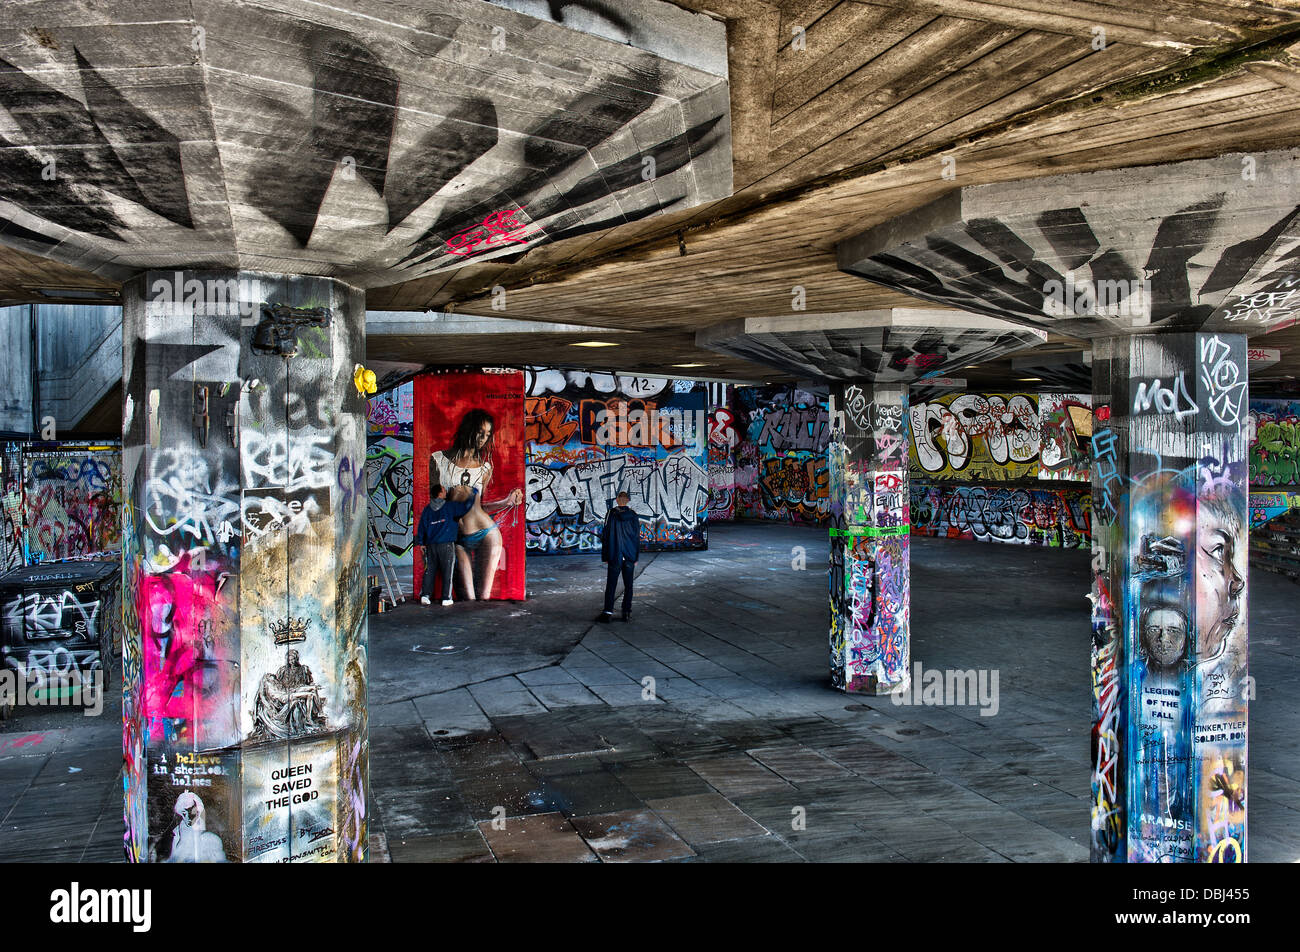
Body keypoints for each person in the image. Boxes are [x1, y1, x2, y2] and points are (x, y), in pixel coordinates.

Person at [430, 409, 523, 600]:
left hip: (487, 533)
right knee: (468, 598)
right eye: (481, 432)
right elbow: (434, 506)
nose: (483, 438)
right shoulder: (438, 460)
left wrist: (506, 501)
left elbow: (479, 507)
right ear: (469, 429)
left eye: (488, 434)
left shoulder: (485, 467)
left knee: (484, 598)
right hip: (456, 539)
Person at [415, 480, 477, 606]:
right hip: (446, 545)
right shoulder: (449, 506)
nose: (446, 492)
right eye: (444, 490)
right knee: (447, 571)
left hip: (431, 545)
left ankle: (425, 596)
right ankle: (446, 598)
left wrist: (421, 542)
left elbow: (421, 527)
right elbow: (465, 507)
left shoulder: (427, 509)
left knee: (430, 570)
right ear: (440, 493)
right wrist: (473, 494)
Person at [598, 491, 640, 623]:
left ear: (617, 500)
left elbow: (605, 536)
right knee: (629, 586)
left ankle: (607, 612)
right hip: (629, 555)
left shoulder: (611, 514)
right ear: (627, 500)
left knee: (611, 584)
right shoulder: (633, 515)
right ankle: (626, 612)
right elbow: (636, 537)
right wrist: (635, 557)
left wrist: (605, 555)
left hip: (614, 554)